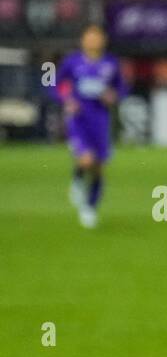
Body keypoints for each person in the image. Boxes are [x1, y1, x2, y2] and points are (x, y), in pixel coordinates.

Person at [54, 24, 127, 229]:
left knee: (98, 169)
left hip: (101, 120)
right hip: (78, 118)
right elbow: (53, 82)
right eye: (90, 37)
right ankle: (77, 182)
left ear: (103, 40)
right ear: (83, 40)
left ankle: (90, 207)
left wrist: (114, 95)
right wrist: (66, 98)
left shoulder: (111, 63)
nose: (94, 41)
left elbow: (121, 87)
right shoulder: (72, 62)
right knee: (86, 159)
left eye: (97, 37)